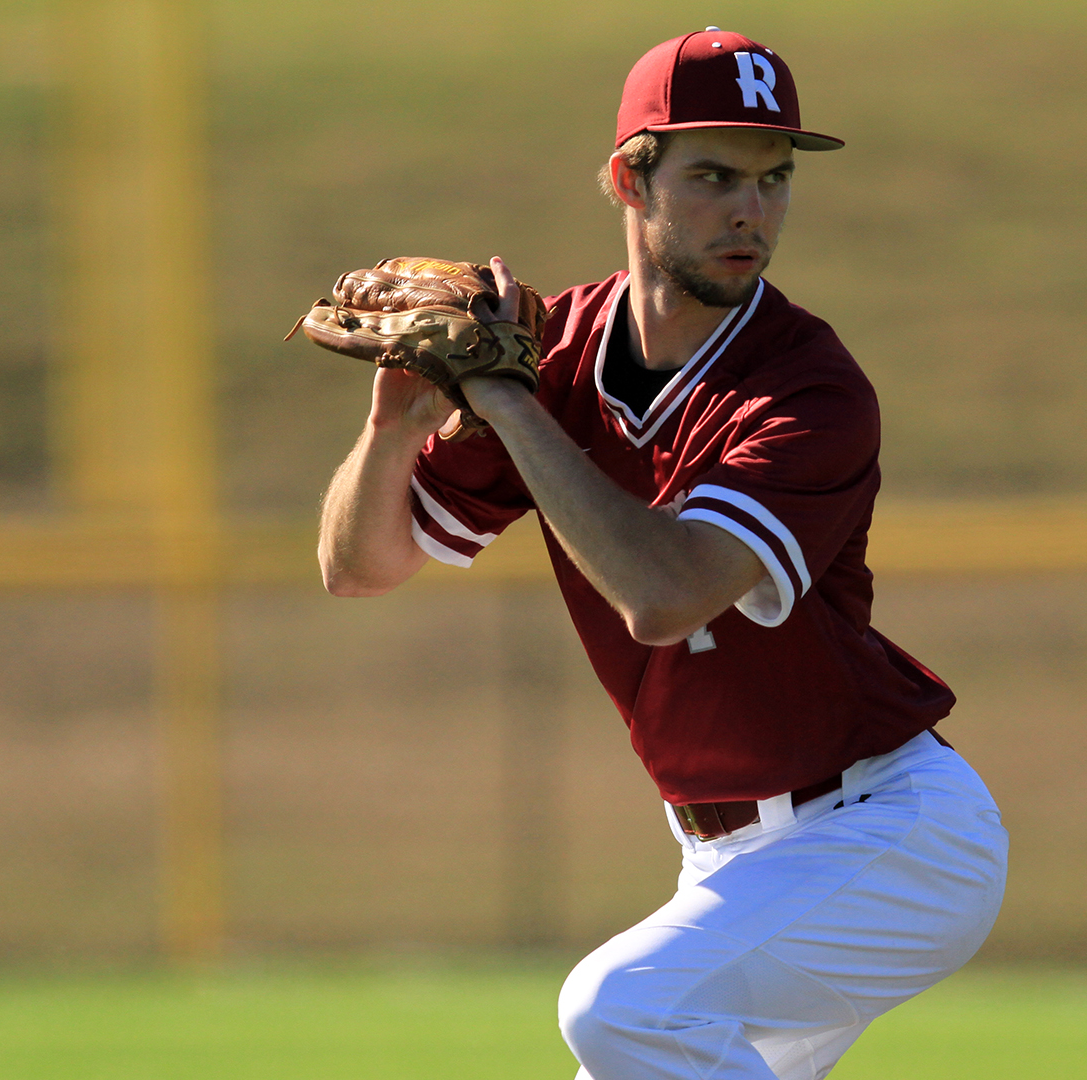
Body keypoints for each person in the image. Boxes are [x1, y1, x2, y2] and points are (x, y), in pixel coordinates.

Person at [318, 27, 1007, 1080]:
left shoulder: (806, 389)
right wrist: (396, 430)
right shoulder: (560, 357)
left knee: (620, 1006)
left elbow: (666, 594)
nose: (752, 210)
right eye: (714, 176)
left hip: (891, 837)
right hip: (726, 859)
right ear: (627, 183)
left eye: (775, 180)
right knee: (634, 1047)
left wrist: (503, 400)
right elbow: (360, 566)